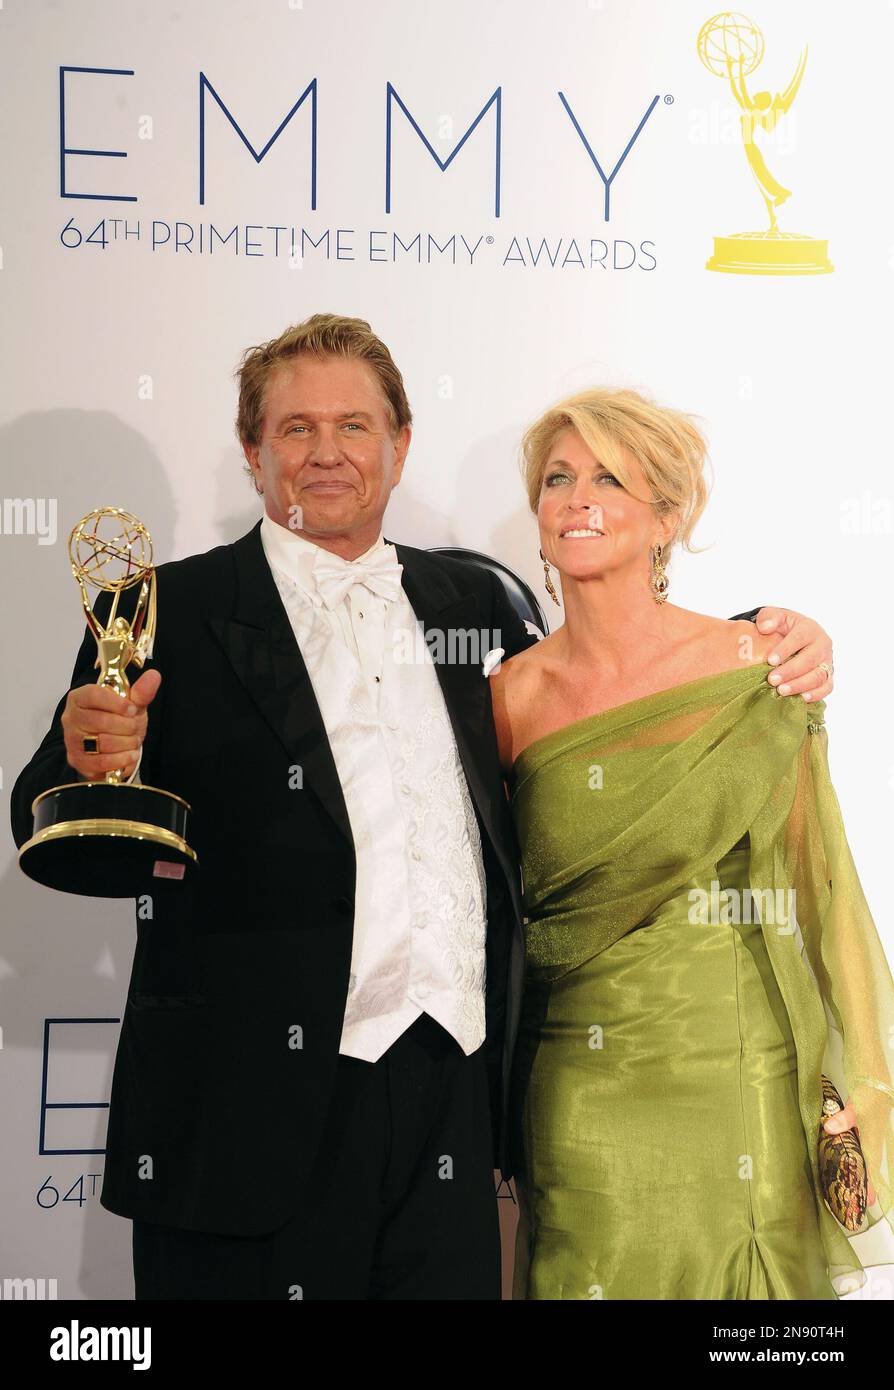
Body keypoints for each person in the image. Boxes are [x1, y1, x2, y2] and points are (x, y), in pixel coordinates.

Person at [11, 317, 834, 1300]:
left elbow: (608, 690)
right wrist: (88, 756)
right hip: (247, 1122)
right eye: (297, 427)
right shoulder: (157, 608)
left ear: (400, 446)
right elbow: (65, 837)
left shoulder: (470, 603)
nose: (326, 452)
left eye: (354, 425)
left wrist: (769, 633)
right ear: (252, 450)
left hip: (452, 1113)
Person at [488, 386, 894, 1300]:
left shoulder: (754, 667)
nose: (577, 498)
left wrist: (869, 1076)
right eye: (558, 478)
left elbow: (819, 881)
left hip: (738, 1073)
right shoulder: (505, 699)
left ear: (667, 517)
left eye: (609, 479)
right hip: (577, 1088)